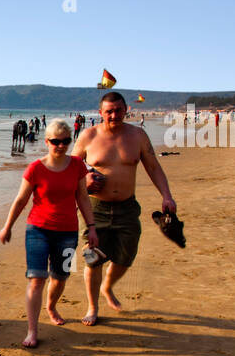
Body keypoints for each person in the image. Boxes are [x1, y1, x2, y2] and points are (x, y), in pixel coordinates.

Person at [73, 91, 177, 325]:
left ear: (126, 110)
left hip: (127, 208)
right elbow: (71, 168)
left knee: (126, 256)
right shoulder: (88, 136)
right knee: (93, 258)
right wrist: (86, 178)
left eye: (118, 110)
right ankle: (92, 307)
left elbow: (153, 167)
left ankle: (107, 286)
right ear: (100, 113)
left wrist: (167, 195)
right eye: (109, 111)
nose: (114, 115)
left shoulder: (137, 136)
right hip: (95, 208)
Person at [0, 121, 98, 347]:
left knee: (61, 277)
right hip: (38, 230)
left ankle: (51, 306)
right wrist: (8, 226)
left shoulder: (77, 166)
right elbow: (21, 200)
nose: (60, 145)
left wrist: (91, 227)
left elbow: (83, 197)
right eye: (55, 141)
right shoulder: (35, 168)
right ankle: (32, 331)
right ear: (47, 142)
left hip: (68, 232)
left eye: (65, 141)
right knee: (37, 279)